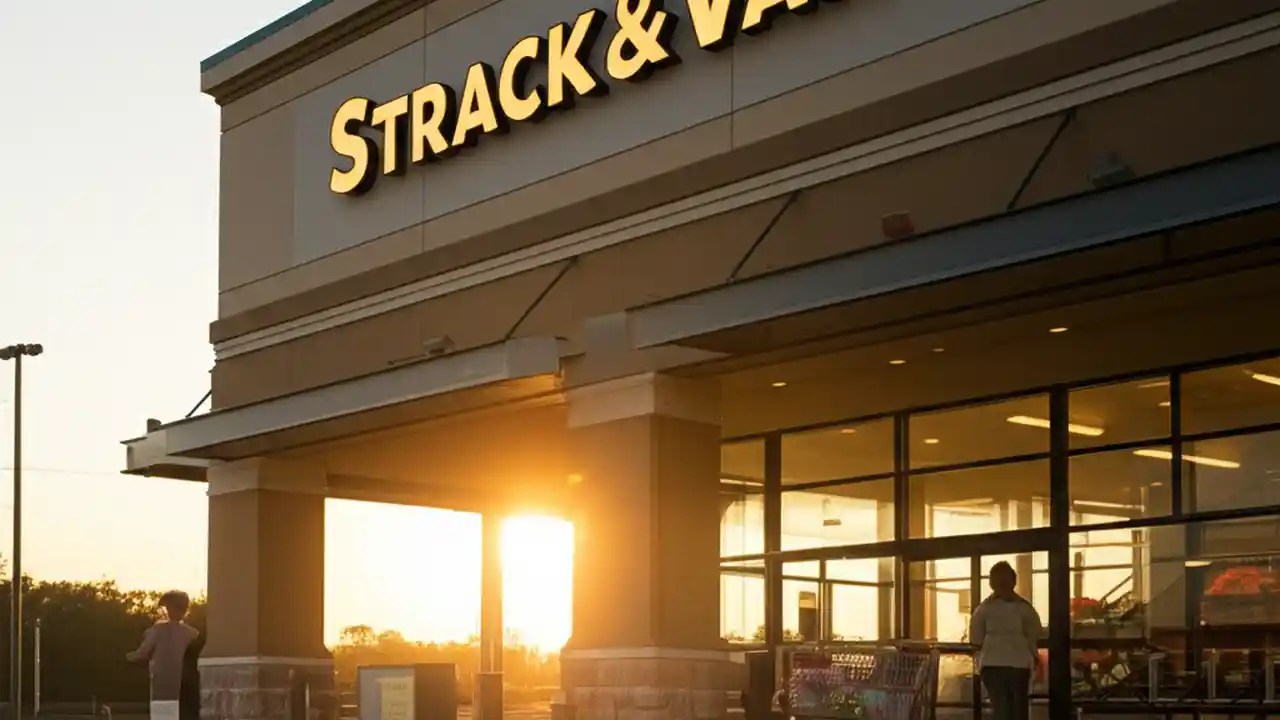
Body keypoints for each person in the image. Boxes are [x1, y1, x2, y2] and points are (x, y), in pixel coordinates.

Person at [971, 562, 1042, 720]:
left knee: (1003, 710)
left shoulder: (983, 610)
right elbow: (1035, 634)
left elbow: (976, 639)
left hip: (994, 663)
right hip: (1017, 664)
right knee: (1018, 710)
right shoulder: (1025, 609)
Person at [127, 591, 201, 720]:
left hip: (162, 688)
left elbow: (143, 653)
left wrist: (128, 657)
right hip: (186, 690)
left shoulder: (158, 630)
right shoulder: (193, 634)